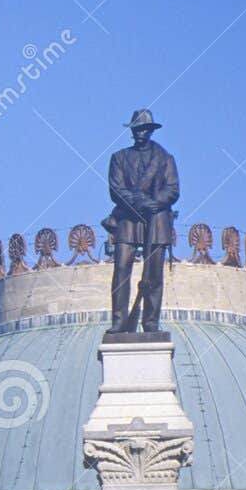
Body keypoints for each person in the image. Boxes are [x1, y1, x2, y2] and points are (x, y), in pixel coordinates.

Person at [103, 109, 180, 333]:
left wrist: (151, 204)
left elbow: (173, 190)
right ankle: (118, 321)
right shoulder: (119, 158)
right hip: (128, 218)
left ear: (151, 131)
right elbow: (116, 190)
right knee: (121, 268)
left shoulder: (164, 158)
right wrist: (138, 202)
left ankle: (150, 322)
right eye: (136, 129)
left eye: (144, 129)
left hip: (156, 219)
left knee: (154, 273)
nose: (140, 133)